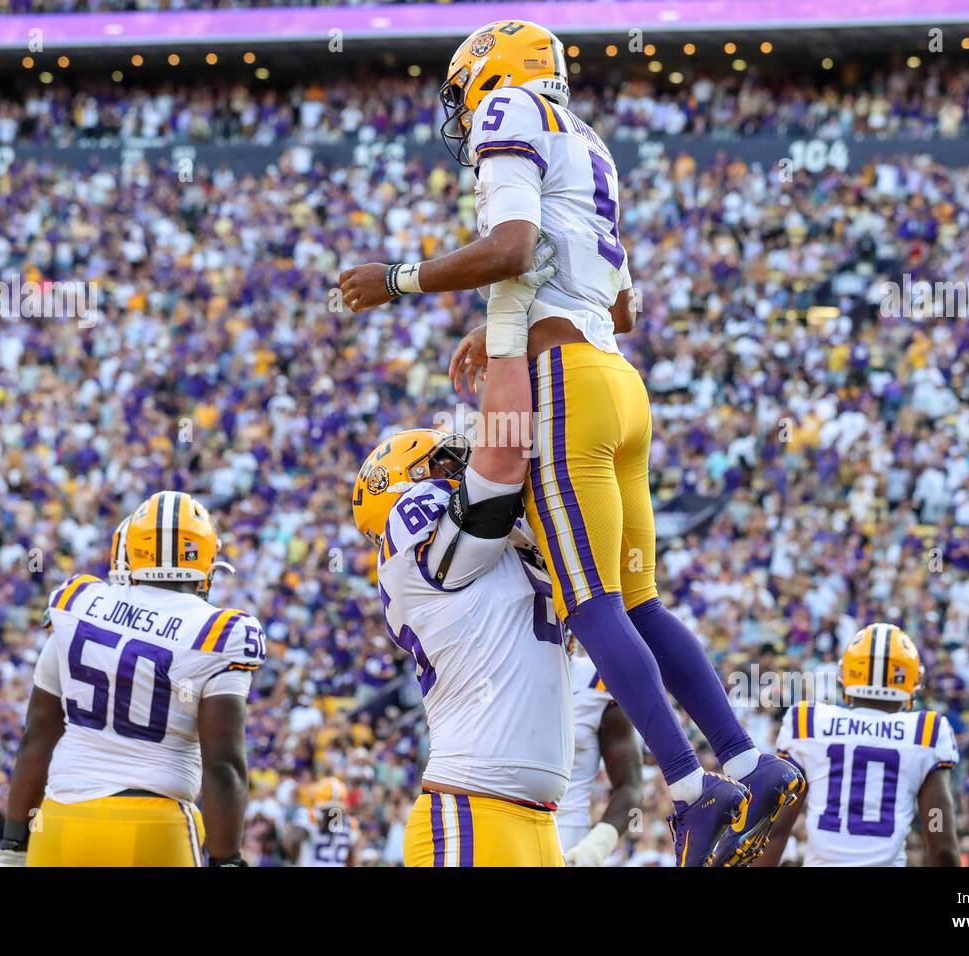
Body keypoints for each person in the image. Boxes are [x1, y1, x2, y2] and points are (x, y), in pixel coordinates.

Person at [339, 19, 797, 865]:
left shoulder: (506, 108)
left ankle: (696, 790)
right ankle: (744, 756)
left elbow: (512, 245)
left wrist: (399, 279)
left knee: (596, 603)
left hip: (563, 385)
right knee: (639, 601)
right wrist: (512, 314)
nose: (462, 110)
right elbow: (620, 308)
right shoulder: (587, 141)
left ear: (492, 76)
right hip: (617, 379)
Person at [350, 243, 593, 865]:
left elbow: (536, 455)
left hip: (533, 819)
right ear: (406, 486)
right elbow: (505, 458)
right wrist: (508, 318)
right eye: (447, 462)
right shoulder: (412, 540)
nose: (460, 466)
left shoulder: (486, 547)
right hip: (470, 809)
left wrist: (540, 325)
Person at [0, 492, 264, 867]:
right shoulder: (218, 631)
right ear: (205, 558)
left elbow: (37, 735)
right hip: (152, 826)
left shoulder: (78, 603)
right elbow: (223, 766)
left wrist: (12, 846)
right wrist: (227, 860)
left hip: (58, 822)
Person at [757, 624, 961, 867]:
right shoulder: (926, 730)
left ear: (848, 674)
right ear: (910, 678)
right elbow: (941, 840)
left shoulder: (808, 721)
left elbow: (775, 828)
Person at [557, 649, 643, 867]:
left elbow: (630, 786)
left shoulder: (596, 679)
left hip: (566, 840)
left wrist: (597, 845)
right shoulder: (490, 671)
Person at [288, 778, 359, 867]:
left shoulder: (310, 815)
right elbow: (351, 857)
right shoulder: (351, 822)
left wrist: (294, 862)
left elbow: (295, 840)